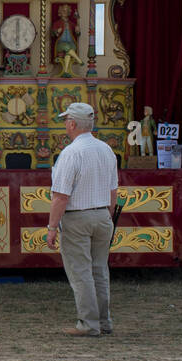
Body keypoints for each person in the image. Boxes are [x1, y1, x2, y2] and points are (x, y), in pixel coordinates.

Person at [45, 102, 119, 336]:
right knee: (99, 270)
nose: (66, 124)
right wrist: (106, 215)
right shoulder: (106, 149)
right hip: (102, 215)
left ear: (73, 124)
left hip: (78, 217)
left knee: (81, 272)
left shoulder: (71, 153)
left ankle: (88, 323)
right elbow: (113, 191)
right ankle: (104, 320)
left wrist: (52, 227)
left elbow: (60, 197)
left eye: (67, 120)